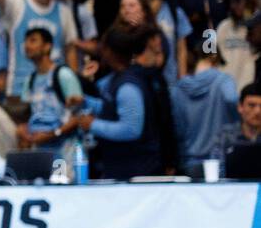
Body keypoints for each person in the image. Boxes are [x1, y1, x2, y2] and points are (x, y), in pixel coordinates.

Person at [77, 25, 168, 179]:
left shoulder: (128, 86)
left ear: (110, 51)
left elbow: (131, 129)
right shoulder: (117, 78)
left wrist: (92, 125)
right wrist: (85, 102)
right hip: (120, 168)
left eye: (103, 45)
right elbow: (112, 110)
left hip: (136, 174)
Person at [171, 40, 239, 171]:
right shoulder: (224, 81)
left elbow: (177, 128)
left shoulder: (178, 88)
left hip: (188, 160)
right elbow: (231, 99)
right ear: (214, 58)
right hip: (220, 161)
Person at [18, 27, 85, 157]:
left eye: (33, 41)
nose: (27, 45)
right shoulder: (30, 80)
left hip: (67, 152)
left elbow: (79, 117)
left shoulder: (63, 74)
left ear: (47, 46)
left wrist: (54, 133)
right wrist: (23, 131)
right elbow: (29, 116)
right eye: (26, 41)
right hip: (41, 153)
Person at [218, 0, 259, 93]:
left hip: (250, 92)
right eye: (231, 1)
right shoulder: (224, 26)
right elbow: (213, 58)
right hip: (225, 91)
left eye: (237, 1)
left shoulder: (257, 27)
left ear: (250, 1)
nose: (232, 6)